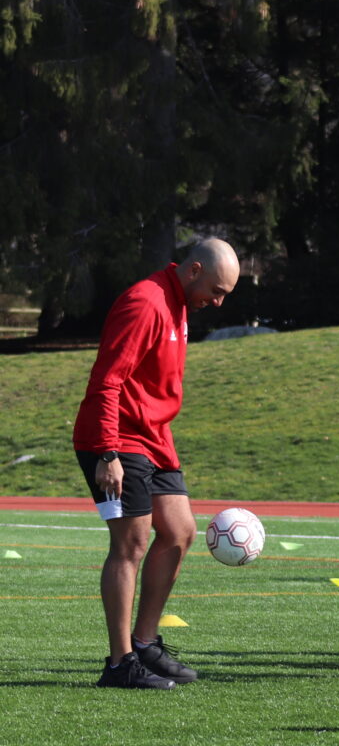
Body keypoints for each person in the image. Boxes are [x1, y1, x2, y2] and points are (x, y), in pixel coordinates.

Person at [73, 237, 241, 688]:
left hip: (153, 436)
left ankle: (145, 643)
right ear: (193, 270)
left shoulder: (180, 302)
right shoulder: (145, 302)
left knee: (181, 531)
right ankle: (120, 664)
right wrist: (108, 452)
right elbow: (106, 380)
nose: (219, 302)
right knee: (131, 543)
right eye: (216, 290)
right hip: (116, 437)